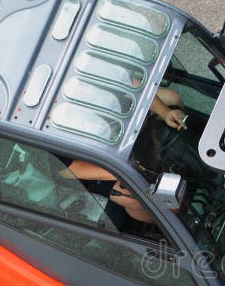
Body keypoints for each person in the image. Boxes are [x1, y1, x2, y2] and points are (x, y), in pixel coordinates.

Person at [61, 88, 186, 223]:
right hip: (99, 162)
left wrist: (165, 112)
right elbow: (67, 170)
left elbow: (134, 84)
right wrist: (120, 170)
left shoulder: (72, 78)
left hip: (124, 121)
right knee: (133, 200)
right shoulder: (46, 122)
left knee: (172, 98)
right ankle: (170, 224)